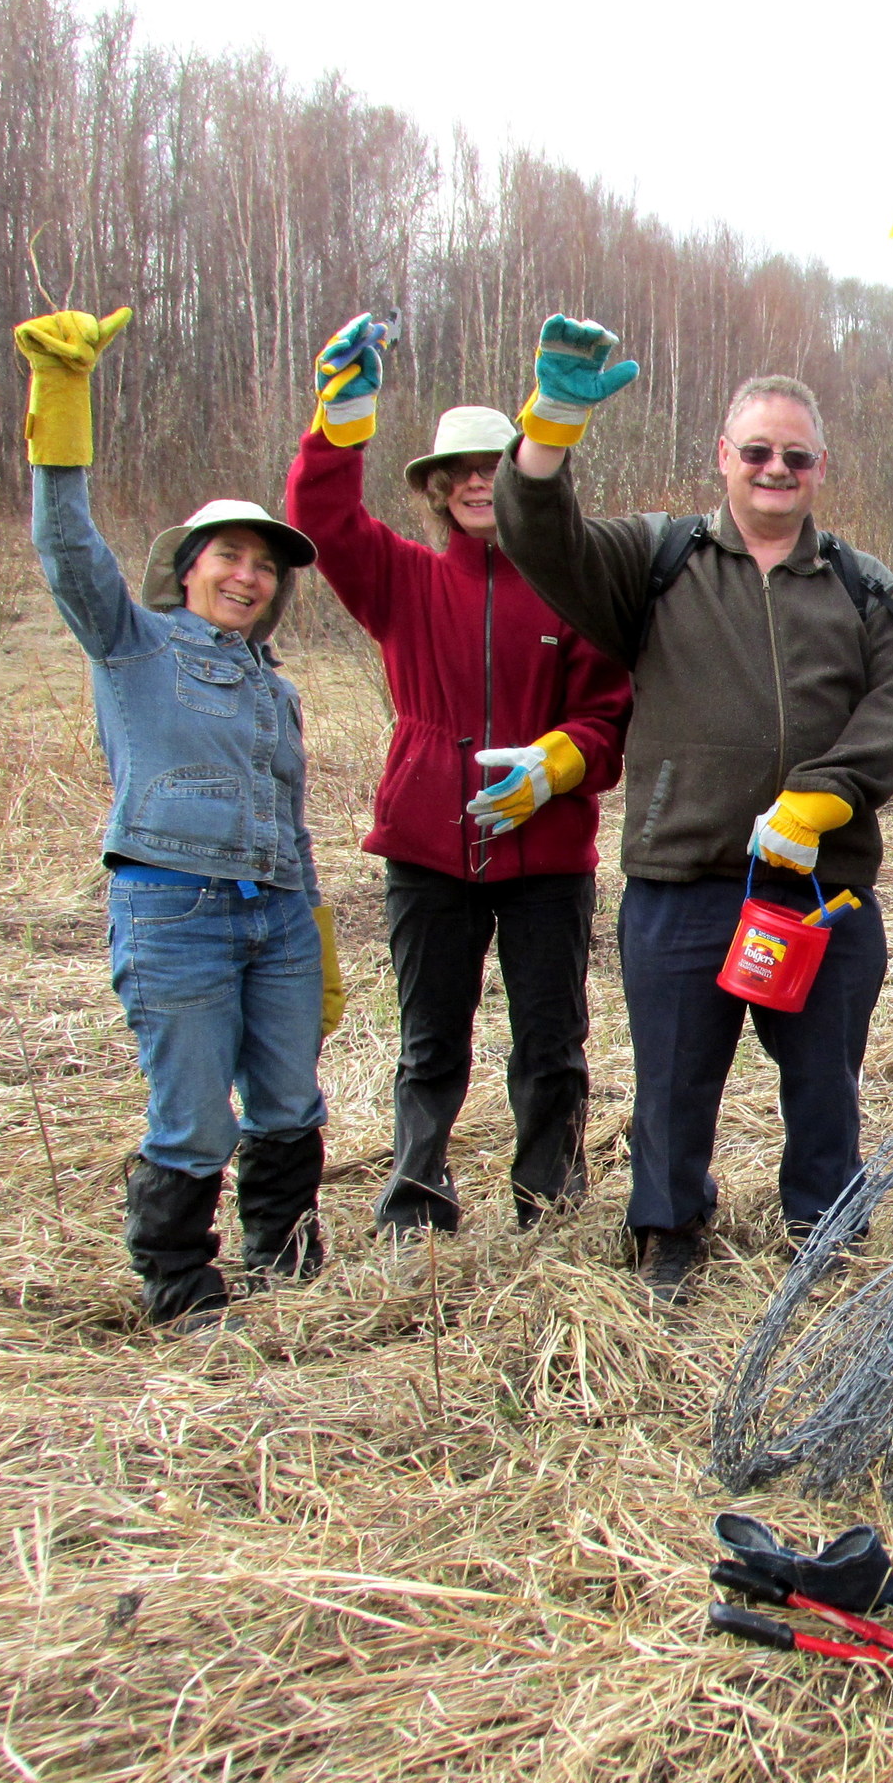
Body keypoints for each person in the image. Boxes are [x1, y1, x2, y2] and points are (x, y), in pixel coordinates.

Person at [492, 315, 893, 1299]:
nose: (776, 469)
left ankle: (823, 1229)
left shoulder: (863, 588)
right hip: (682, 880)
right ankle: (668, 1234)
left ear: (821, 467)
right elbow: (537, 535)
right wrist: (551, 426)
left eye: (796, 456)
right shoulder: (655, 561)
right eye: (758, 452)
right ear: (722, 458)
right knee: (675, 1081)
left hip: (818, 891)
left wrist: (824, 796)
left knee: (826, 1080)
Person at [18, 305, 340, 1332]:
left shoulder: (272, 688)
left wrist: (318, 933)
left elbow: (288, 822)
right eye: (228, 558)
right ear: (188, 565)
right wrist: (62, 408)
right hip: (173, 912)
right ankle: (178, 1280)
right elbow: (66, 546)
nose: (248, 577)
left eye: (265, 566)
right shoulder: (133, 645)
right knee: (194, 1113)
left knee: (291, 1102)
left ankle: (283, 1248)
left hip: (277, 917)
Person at [283, 315, 630, 1237]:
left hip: (548, 859)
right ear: (437, 488)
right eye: (462, 471)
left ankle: (549, 1203)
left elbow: (607, 720)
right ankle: (414, 1201)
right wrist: (340, 422)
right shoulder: (401, 579)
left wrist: (556, 768)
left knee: (551, 1045)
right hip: (427, 851)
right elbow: (322, 521)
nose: (479, 482)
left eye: (497, 467)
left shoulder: (573, 583)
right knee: (430, 1042)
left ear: (523, 478)